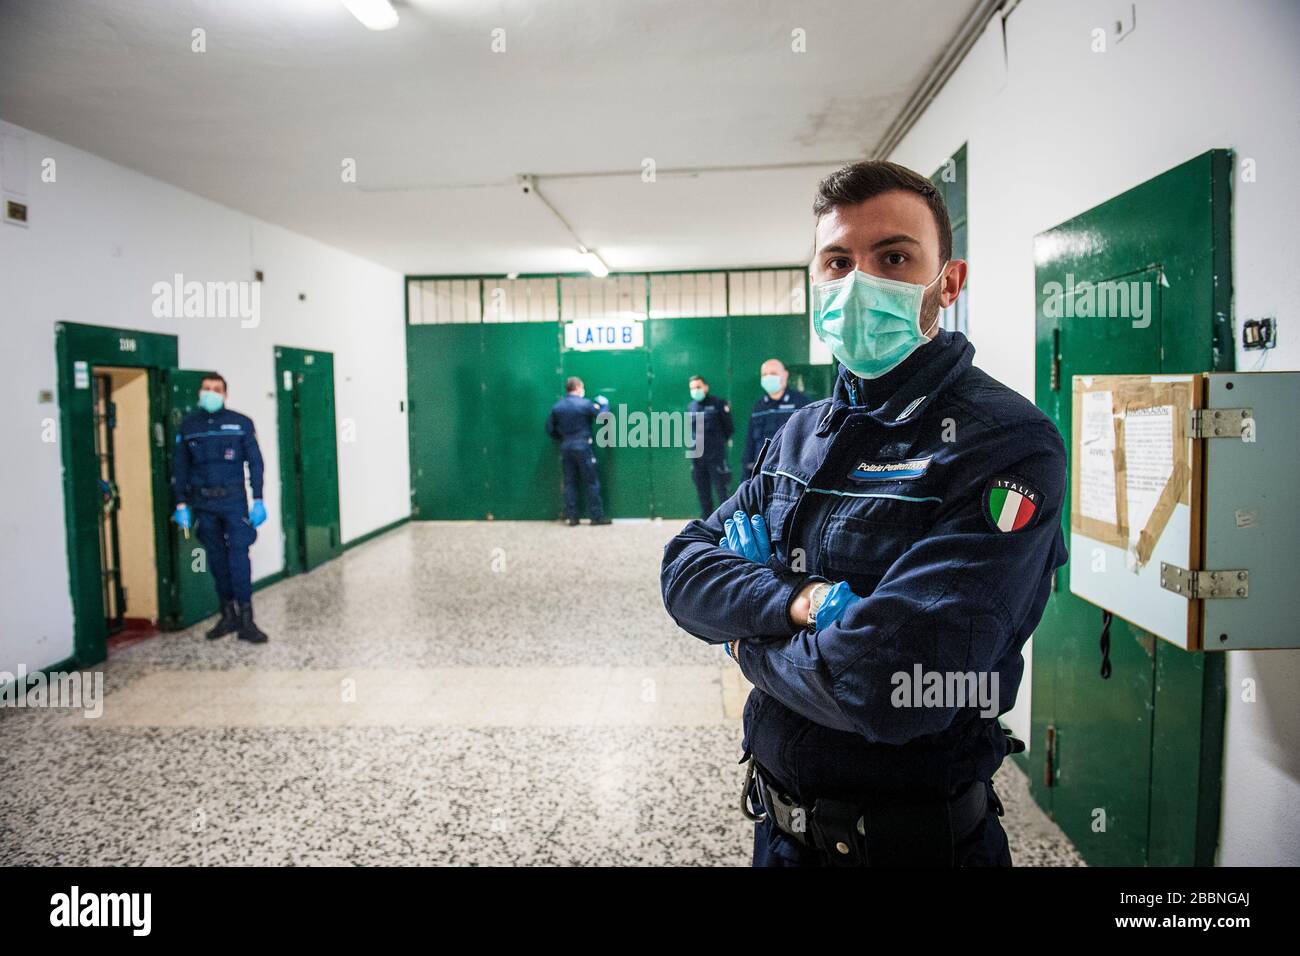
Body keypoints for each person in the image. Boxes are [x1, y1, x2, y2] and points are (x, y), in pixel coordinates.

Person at [661, 160, 1068, 867]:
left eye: (894, 257)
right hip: (779, 831)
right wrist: (803, 602)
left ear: (949, 282)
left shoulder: (1004, 444)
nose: (859, 284)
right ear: (816, 280)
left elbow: (888, 685)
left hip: (915, 846)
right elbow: (684, 570)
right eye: (838, 260)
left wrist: (740, 642)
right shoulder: (799, 432)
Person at [172, 373, 270, 643]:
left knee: (239, 557)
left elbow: (255, 463)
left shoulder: (240, 423)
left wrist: (258, 498)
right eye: (206, 389)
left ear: (225, 395)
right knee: (216, 560)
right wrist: (181, 503)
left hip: (233, 501)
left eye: (216, 389)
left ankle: (247, 620)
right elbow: (180, 467)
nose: (211, 393)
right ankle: (227, 615)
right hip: (203, 503)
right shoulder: (189, 426)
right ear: (199, 393)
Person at [546, 377, 612, 526]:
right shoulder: (585, 404)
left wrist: (563, 439)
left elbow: (550, 429)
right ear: (578, 388)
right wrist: (604, 405)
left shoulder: (557, 407)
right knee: (591, 482)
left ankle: (572, 518)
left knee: (570, 483)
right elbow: (603, 418)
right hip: (583, 446)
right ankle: (596, 517)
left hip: (566, 446)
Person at [741, 359, 810, 479]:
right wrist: (746, 477)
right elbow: (750, 443)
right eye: (765, 374)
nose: (768, 377)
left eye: (773, 373)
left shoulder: (801, 403)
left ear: (785, 375)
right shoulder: (759, 406)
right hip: (762, 473)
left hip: (789, 474)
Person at [685, 375, 733, 519]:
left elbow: (729, 428)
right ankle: (707, 526)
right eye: (692, 388)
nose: (695, 390)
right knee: (703, 495)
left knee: (723, 493)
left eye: (698, 387)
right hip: (698, 459)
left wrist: (716, 444)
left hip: (716, 457)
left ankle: (727, 524)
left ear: (706, 387)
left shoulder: (718, 403)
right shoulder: (691, 406)